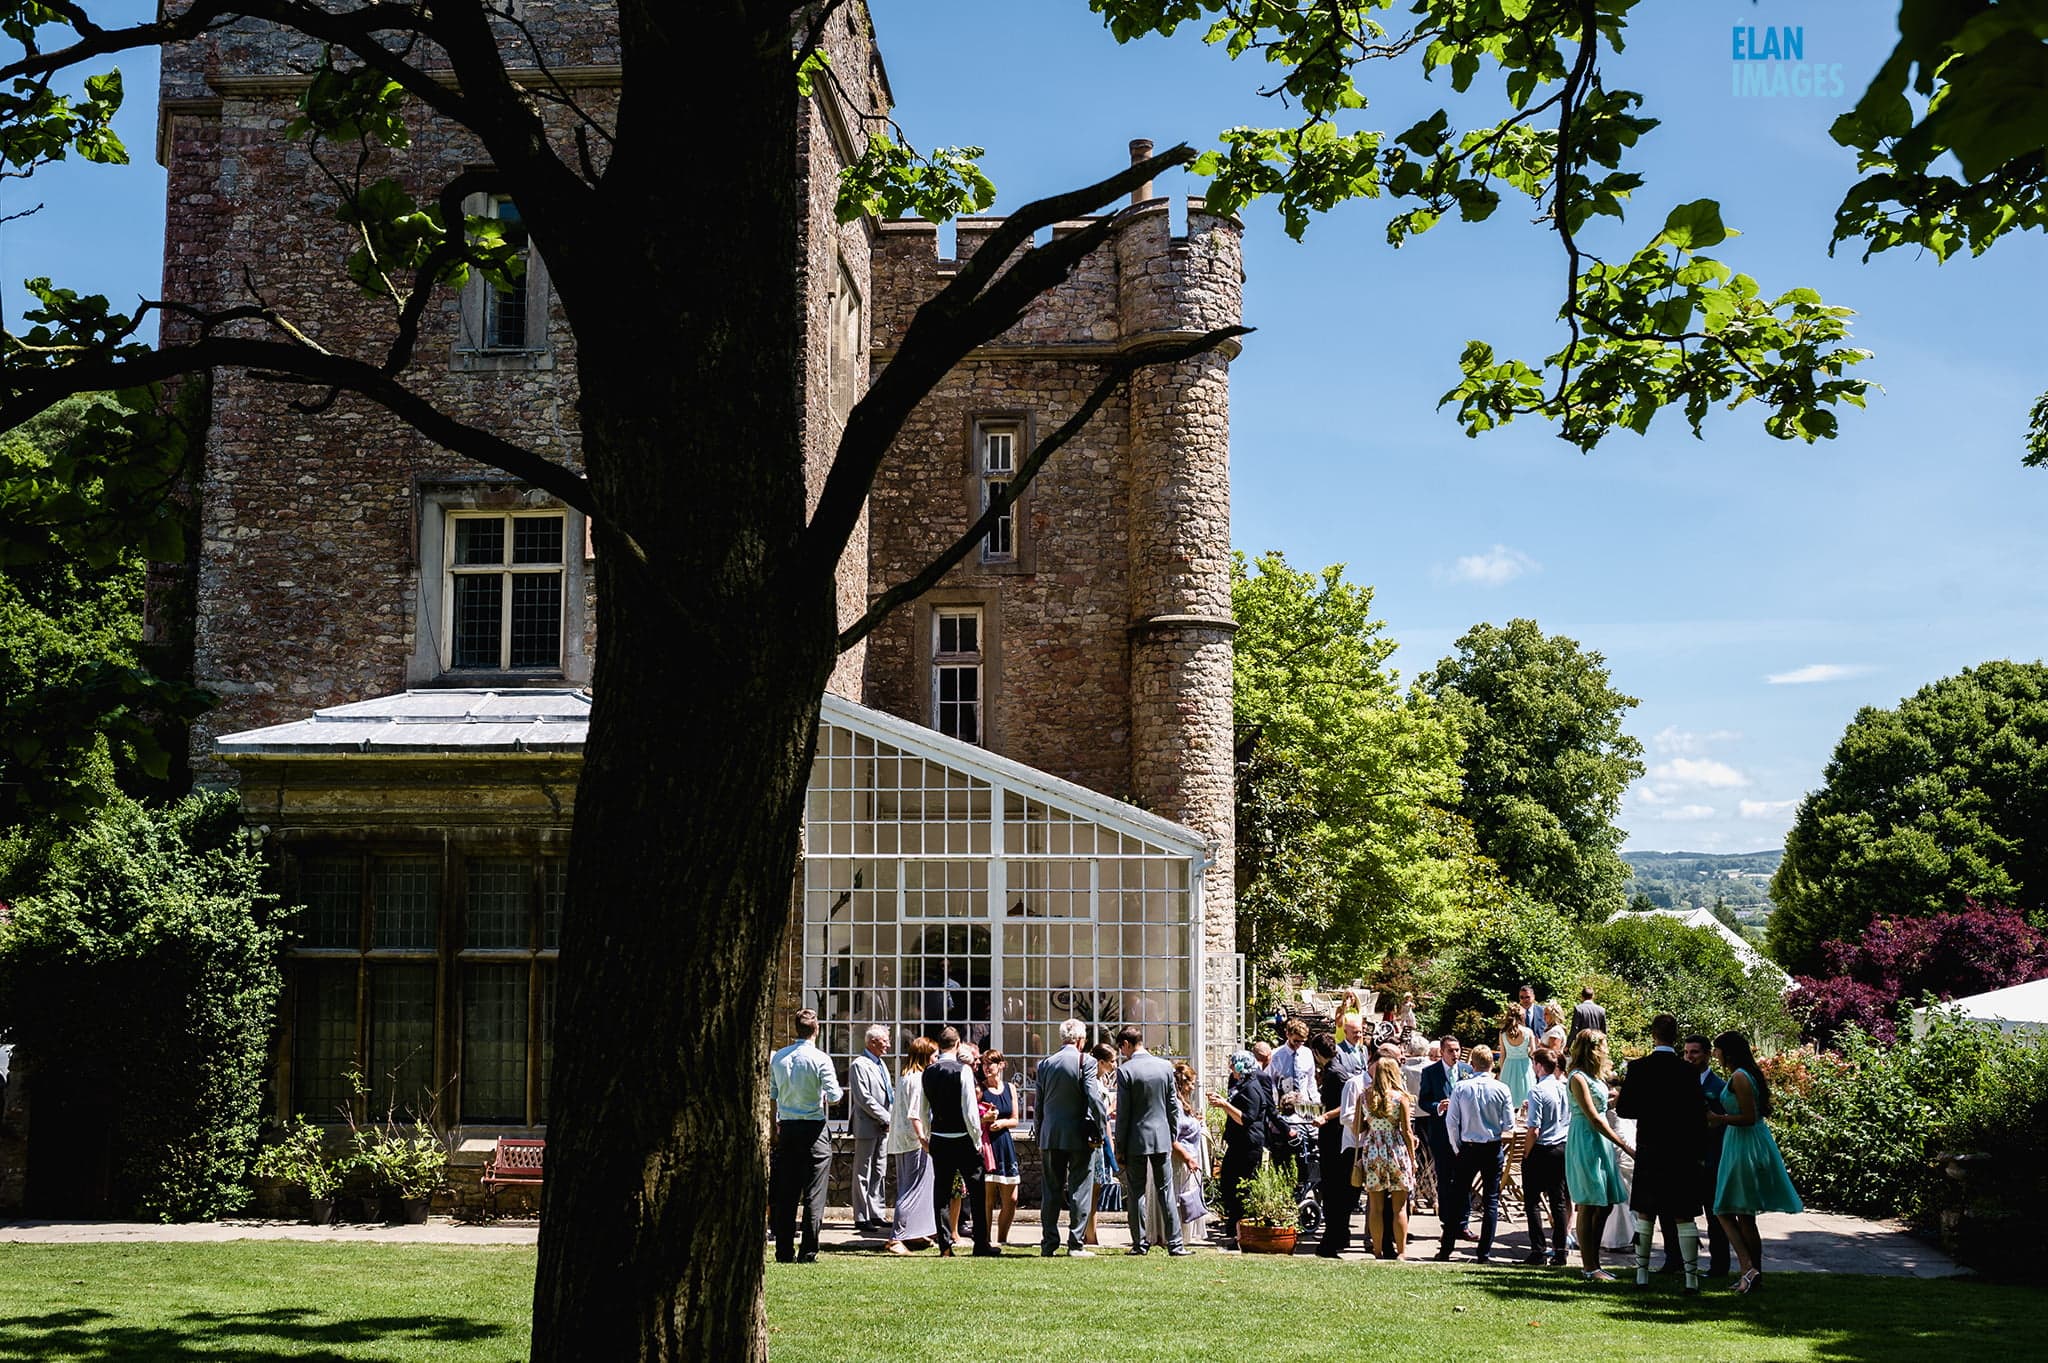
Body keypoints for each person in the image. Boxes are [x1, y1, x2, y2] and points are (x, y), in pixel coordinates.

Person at [1615, 1013, 1708, 1292]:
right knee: (1684, 1215)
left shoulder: (1639, 1068)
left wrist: (1649, 1108)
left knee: (1646, 1213)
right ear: (1676, 1036)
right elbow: (1697, 1115)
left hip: (1650, 1148)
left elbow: (1624, 1109)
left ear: (1653, 1035)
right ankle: (1691, 1278)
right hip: (1680, 1151)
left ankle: (1642, 1274)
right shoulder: (1688, 1071)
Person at [1708, 1030, 1803, 1295]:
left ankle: (1748, 1268)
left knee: (1726, 1209)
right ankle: (1752, 1273)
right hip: (1739, 1143)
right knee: (1742, 1213)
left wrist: (1719, 1118)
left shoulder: (1740, 1076)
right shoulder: (1743, 1074)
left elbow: (1749, 1117)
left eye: (1717, 1049)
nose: (1715, 1054)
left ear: (1727, 1051)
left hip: (1745, 1144)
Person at [911, 1025, 996, 1258]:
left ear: (940, 1045)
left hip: (939, 1139)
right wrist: (977, 1138)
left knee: (941, 1193)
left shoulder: (928, 1071)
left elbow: (923, 1109)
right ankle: (981, 1244)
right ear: (958, 1045)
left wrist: (929, 1136)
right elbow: (970, 1110)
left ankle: (945, 1246)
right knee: (976, 1192)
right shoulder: (963, 1070)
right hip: (963, 1139)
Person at [768, 1008, 843, 1264]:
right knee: (814, 1193)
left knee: (787, 1193)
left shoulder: (778, 1057)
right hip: (813, 1128)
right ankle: (808, 1251)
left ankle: (783, 1251)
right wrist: (823, 1094)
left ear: (796, 1028)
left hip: (787, 1127)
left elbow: (773, 1095)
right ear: (817, 1029)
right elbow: (835, 1097)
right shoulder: (821, 1059)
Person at [1114, 1025, 1191, 1256]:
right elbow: (1172, 1106)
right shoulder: (1165, 1067)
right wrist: (1172, 1134)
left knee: (1136, 1192)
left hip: (1136, 1139)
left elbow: (1123, 1114)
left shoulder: (1126, 1071)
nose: (1122, 1053)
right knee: (1166, 1191)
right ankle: (1175, 1244)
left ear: (1126, 1044)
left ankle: (1140, 1244)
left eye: (1122, 1048)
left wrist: (1120, 1146)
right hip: (1161, 1137)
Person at [1564, 1029, 1634, 1282]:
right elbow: (1593, 1117)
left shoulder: (1595, 1076)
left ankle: (1596, 1263)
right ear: (1593, 1049)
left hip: (1600, 1141)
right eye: (1603, 1045)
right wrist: (1625, 1146)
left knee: (1604, 1204)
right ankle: (1589, 1267)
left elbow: (1603, 1108)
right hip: (1586, 1140)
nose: (1607, 1050)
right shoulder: (1577, 1077)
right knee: (1590, 1203)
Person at [1034, 1018, 1107, 1257]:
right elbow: (1093, 1097)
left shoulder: (1046, 1064)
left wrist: (1039, 1133)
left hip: (1050, 1134)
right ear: (1080, 1040)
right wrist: (1102, 1127)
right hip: (1078, 1133)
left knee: (1051, 1191)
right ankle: (1075, 1243)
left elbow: (1039, 1104)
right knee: (1080, 1190)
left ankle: (1048, 1243)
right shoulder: (1086, 1061)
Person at [1659, 1035, 1731, 1279]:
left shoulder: (1719, 1088)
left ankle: (1719, 1266)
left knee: (1715, 1216)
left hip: (1709, 1160)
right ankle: (1674, 1259)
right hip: (1679, 1159)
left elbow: (1724, 1126)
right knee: (1672, 1212)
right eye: (1687, 1052)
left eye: (1695, 1052)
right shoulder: (1674, 1083)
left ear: (1708, 1055)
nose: (1689, 1057)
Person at [1441, 1044, 1516, 1263]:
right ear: (1492, 1064)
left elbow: (1452, 1122)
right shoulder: (1502, 1089)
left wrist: (1456, 1147)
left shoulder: (1462, 1088)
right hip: (1491, 1146)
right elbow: (1509, 1123)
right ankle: (1484, 1252)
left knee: (1458, 1198)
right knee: (1491, 1200)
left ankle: (1446, 1249)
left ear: (1472, 1064)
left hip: (1469, 1146)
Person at [1352, 1056, 1418, 1259]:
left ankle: (1377, 1250)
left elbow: (1356, 1128)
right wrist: (1412, 1157)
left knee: (1376, 1207)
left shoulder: (1364, 1096)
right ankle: (1401, 1252)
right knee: (1400, 1207)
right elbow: (1406, 1131)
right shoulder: (1400, 1098)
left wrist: (1371, 1123)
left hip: (1373, 1151)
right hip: (1396, 1151)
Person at [1208, 1049, 1270, 1244]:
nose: (1231, 1068)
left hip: (1248, 1144)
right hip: (1237, 1143)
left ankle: (1241, 1230)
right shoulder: (1241, 1084)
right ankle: (1233, 1225)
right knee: (1228, 1181)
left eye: (1234, 1064)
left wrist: (1224, 1105)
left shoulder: (1251, 1087)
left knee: (1242, 1187)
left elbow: (1247, 1118)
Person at [883, 1036, 938, 1255]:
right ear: (924, 1055)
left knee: (914, 1187)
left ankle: (912, 1233)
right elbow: (915, 1114)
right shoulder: (917, 1079)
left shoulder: (907, 1076)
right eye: (933, 1055)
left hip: (904, 1140)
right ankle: (896, 1238)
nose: (936, 1059)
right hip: (913, 1141)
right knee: (910, 1189)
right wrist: (923, 1139)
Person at [1520, 1048, 1572, 1266]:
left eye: (1534, 1064)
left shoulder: (1537, 1090)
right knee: (1558, 1201)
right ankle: (1560, 1250)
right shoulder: (1564, 1087)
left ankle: (1538, 1249)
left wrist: (1526, 1152)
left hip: (1542, 1148)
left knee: (1532, 1201)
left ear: (1540, 1066)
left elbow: (1534, 1128)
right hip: (1562, 1146)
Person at [1416, 1034, 1472, 1232]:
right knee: (1445, 1179)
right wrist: (1438, 1106)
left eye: (1457, 1050)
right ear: (1442, 1052)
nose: (1455, 1054)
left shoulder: (1467, 1070)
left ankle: (1464, 1223)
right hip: (1441, 1133)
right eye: (1451, 1050)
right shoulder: (1431, 1072)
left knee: (1464, 1180)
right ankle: (1448, 1223)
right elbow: (1423, 1100)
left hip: (1465, 1135)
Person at [1308, 1033, 1356, 1256]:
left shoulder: (1336, 1073)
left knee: (1334, 1188)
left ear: (1317, 1053)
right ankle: (1339, 1234)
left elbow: (1348, 1103)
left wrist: (1326, 1116)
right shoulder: (1331, 1071)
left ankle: (1334, 1236)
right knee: (1334, 1188)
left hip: (1336, 1136)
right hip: (1332, 1135)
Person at [1155, 1062, 1212, 1245]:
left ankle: (1181, 1235)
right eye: (1191, 1083)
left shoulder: (1183, 1103)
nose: (1194, 1087)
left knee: (1185, 1197)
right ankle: (1174, 1235)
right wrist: (1188, 1158)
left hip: (1188, 1156)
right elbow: (1172, 1138)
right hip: (1179, 1160)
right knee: (1179, 1198)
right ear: (1181, 1083)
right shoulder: (1176, 1105)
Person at [848, 1024, 894, 1235]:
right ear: (873, 1042)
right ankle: (861, 1216)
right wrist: (886, 1117)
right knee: (863, 1172)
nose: (888, 1045)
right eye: (885, 1041)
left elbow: (888, 1094)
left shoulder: (881, 1064)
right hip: (867, 1125)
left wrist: (889, 1117)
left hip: (883, 1126)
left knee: (879, 1171)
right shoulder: (859, 1064)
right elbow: (864, 1098)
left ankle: (876, 1212)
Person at [979, 1050, 1022, 1247]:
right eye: (984, 1064)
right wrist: (984, 1120)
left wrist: (1002, 1123)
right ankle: (985, 1239)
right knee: (987, 1198)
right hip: (987, 1145)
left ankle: (1002, 1238)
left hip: (1004, 1143)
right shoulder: (980, 1089)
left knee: (1011, 1199)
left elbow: (1015, 1119)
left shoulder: (1010, 1088)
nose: (987, 1068)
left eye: (991, 1064)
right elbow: (972, 1118)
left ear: (1001, 1065)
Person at [1084, 1042, 1119, 1246]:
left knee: (1095, 1191)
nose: (1114, 1065)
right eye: (1112, 1061)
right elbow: (1098, 1114)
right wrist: (1113, 1105)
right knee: (1093, 1191)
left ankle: (1089, 1232)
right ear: (1101, 1062)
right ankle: (1090, 1234)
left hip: (1102, 1139)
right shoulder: (1093, 1083)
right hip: (1094, 1141)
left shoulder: (1099, 1081)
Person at [1270, 1017, 1316, 1112]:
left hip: (1304, 1104)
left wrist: (1315, 1100)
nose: (1299, 1044)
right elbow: (1271, 1081)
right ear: (1288, 1035)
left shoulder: (1307, 1053)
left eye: (1302, 1041)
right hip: (1284, 1104)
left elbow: (1311, 1079)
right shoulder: (1276, 1055)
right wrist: (1274, 1103)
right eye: (1296, 1041)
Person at [1498, 1002, 1536, 1110]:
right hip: (1524, 1066)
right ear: (1522, 1016)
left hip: (1509, 1065)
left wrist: (1501, 1071)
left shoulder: (1503, 1033)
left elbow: (1503, 1054)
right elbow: (1533, 1052)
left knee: (1508, 1099)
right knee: (1526, 1097)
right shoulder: (1528, 1032)